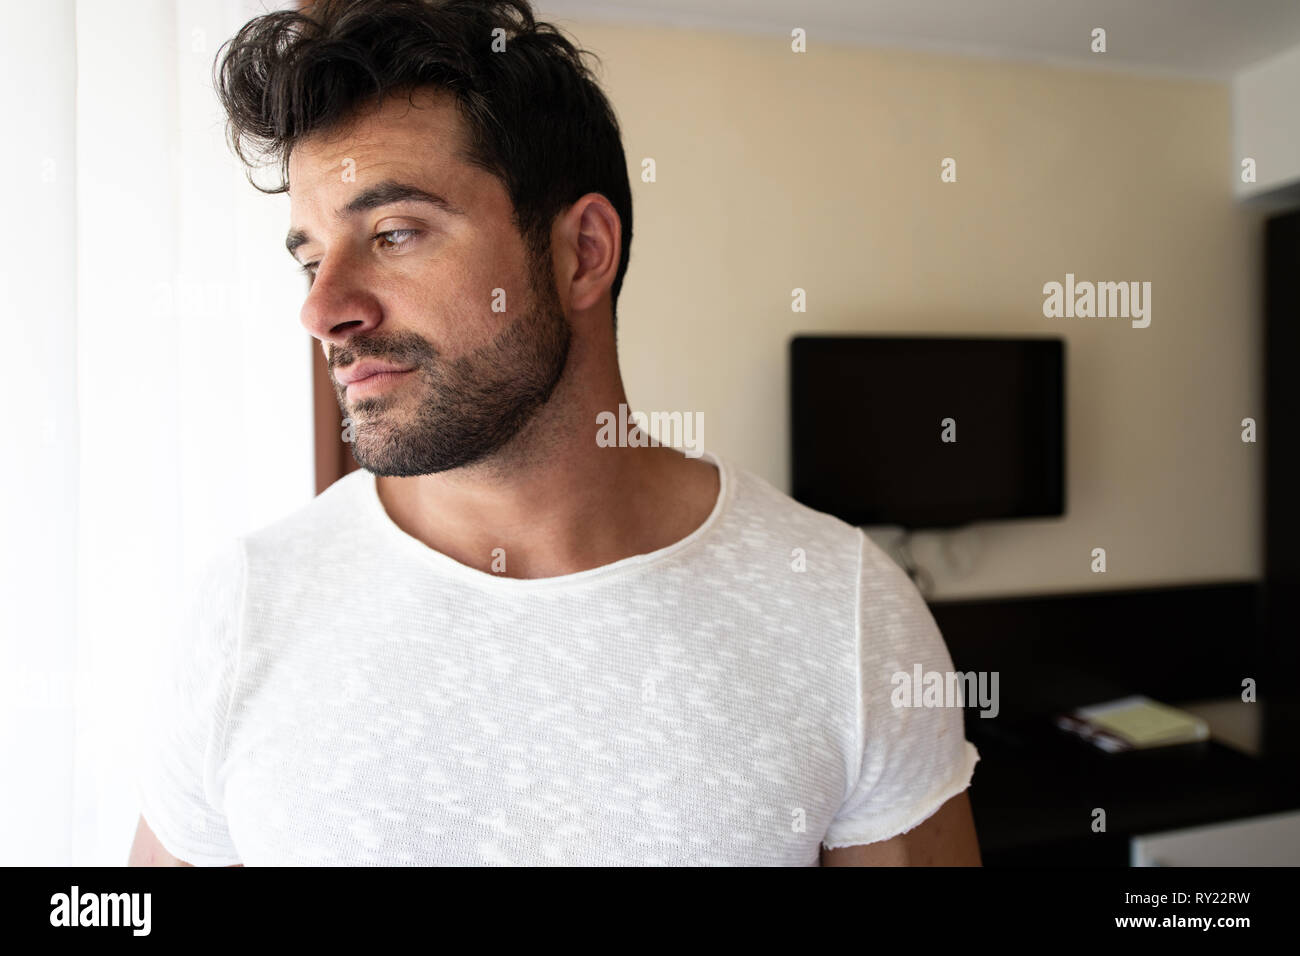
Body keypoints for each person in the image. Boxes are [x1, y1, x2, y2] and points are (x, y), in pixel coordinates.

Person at [129, 0, 980, 866]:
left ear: (582, 252)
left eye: (394, 233)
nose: (322, 309)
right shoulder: (244, 611)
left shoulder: (843, 611)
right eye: (312, 260)